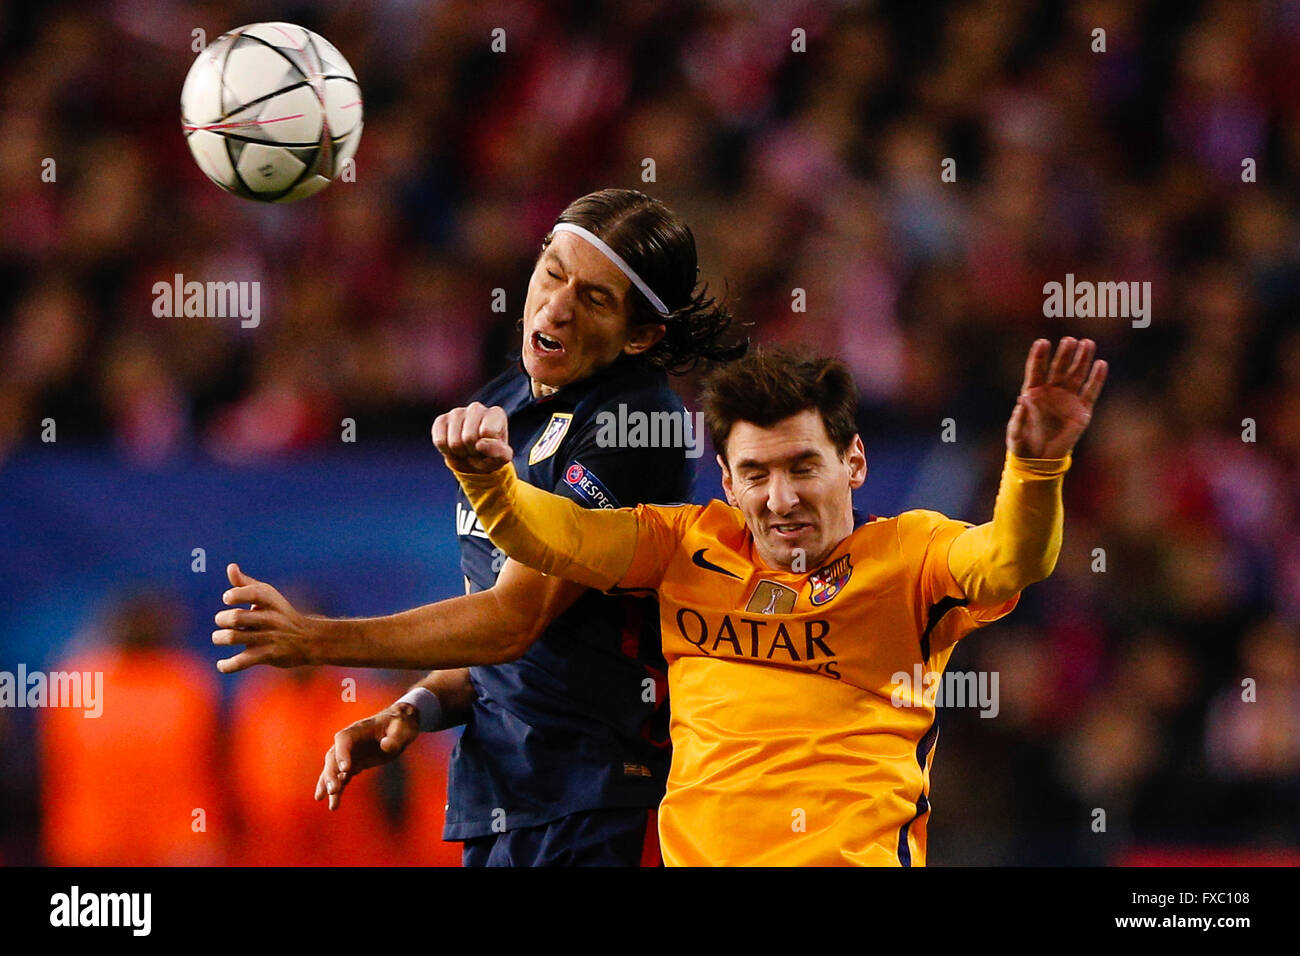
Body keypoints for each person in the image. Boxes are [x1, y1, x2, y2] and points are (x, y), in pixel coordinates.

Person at [212, 188, 744, 866]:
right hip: (501, 795)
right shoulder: (502, 403)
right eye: (552, 272)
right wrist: (416, 708)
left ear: (640, 336)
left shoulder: (638, 424)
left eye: (596, 298)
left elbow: (513, 619)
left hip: (597, 800)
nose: (555, 307)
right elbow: (511, 647)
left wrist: (315, 640)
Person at [434, 338, 1108, 865]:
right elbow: (556, 537)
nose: (780, 499)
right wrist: (490, 480)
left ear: (855, 463)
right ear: (726, 480)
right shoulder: (683, 545)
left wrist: (1036, 469)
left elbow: (1012, 560)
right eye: (755, 474)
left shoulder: (914, 557)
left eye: (802, 467)